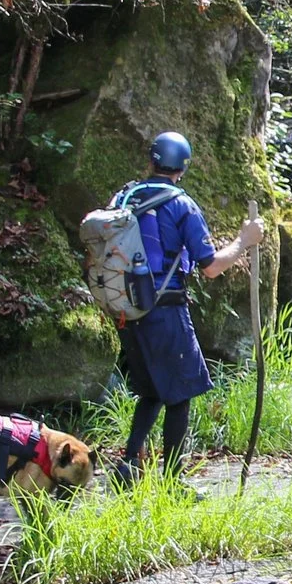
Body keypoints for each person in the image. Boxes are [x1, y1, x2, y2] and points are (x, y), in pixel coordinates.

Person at [109, 131, 264, 484]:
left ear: (151, 161)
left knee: (152, 390)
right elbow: (210, 267)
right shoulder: (181, 205)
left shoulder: (123, 197)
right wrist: (245, 239)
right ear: (183, 167)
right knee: (180, 393)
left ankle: (129, 464)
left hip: (127, 310)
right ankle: (173, 481)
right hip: (166, 309)